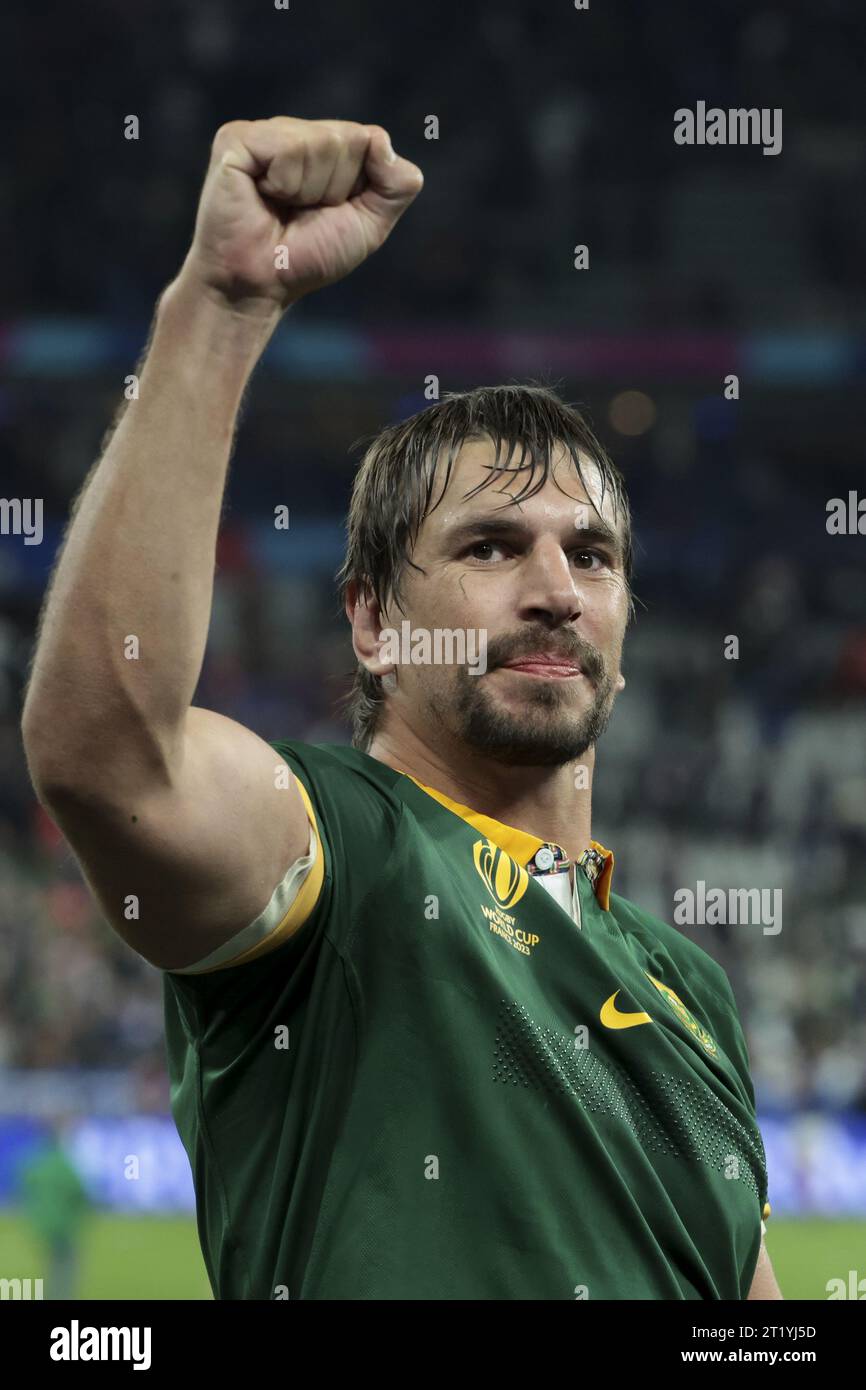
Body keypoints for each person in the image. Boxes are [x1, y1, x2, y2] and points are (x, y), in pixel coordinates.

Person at [22, 116, 779, 1300]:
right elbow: (110, 760)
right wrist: (220, 309)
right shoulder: (343, 853)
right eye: (489, 545)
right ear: (373, 622)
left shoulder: (691, 989)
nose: (553, 592)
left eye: (590, 555)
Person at [16, 1117, 91, 1299]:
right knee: (67, 1262)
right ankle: (61, 1294)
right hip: (63, 1223)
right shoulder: (64, 1164)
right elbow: (80, 1191)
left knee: (51, 1260)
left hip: (43, 1222)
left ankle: (51, 1292)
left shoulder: (37, 1163)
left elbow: (25, 1183)